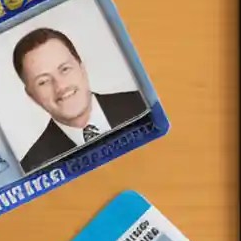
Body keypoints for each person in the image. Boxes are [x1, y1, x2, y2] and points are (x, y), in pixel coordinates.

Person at [12, 27, 147, 173]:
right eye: (43, 82)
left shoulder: (142, 103)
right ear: (32, 95)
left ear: (82, 67)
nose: (60, 86)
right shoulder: (33, 167)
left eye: (65, 69)